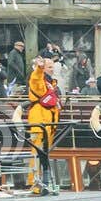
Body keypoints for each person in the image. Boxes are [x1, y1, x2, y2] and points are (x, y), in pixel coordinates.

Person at [25, 57, 61, 193]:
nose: (52, 69)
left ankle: (45, 181)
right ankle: (34, 182)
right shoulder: (38, 81)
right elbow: (36, 79)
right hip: (39, 123)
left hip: (49, 124)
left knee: (45, 154)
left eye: (52, 67)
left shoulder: (51, 83)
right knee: (36, 153)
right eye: (49, 67)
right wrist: (39, 68)